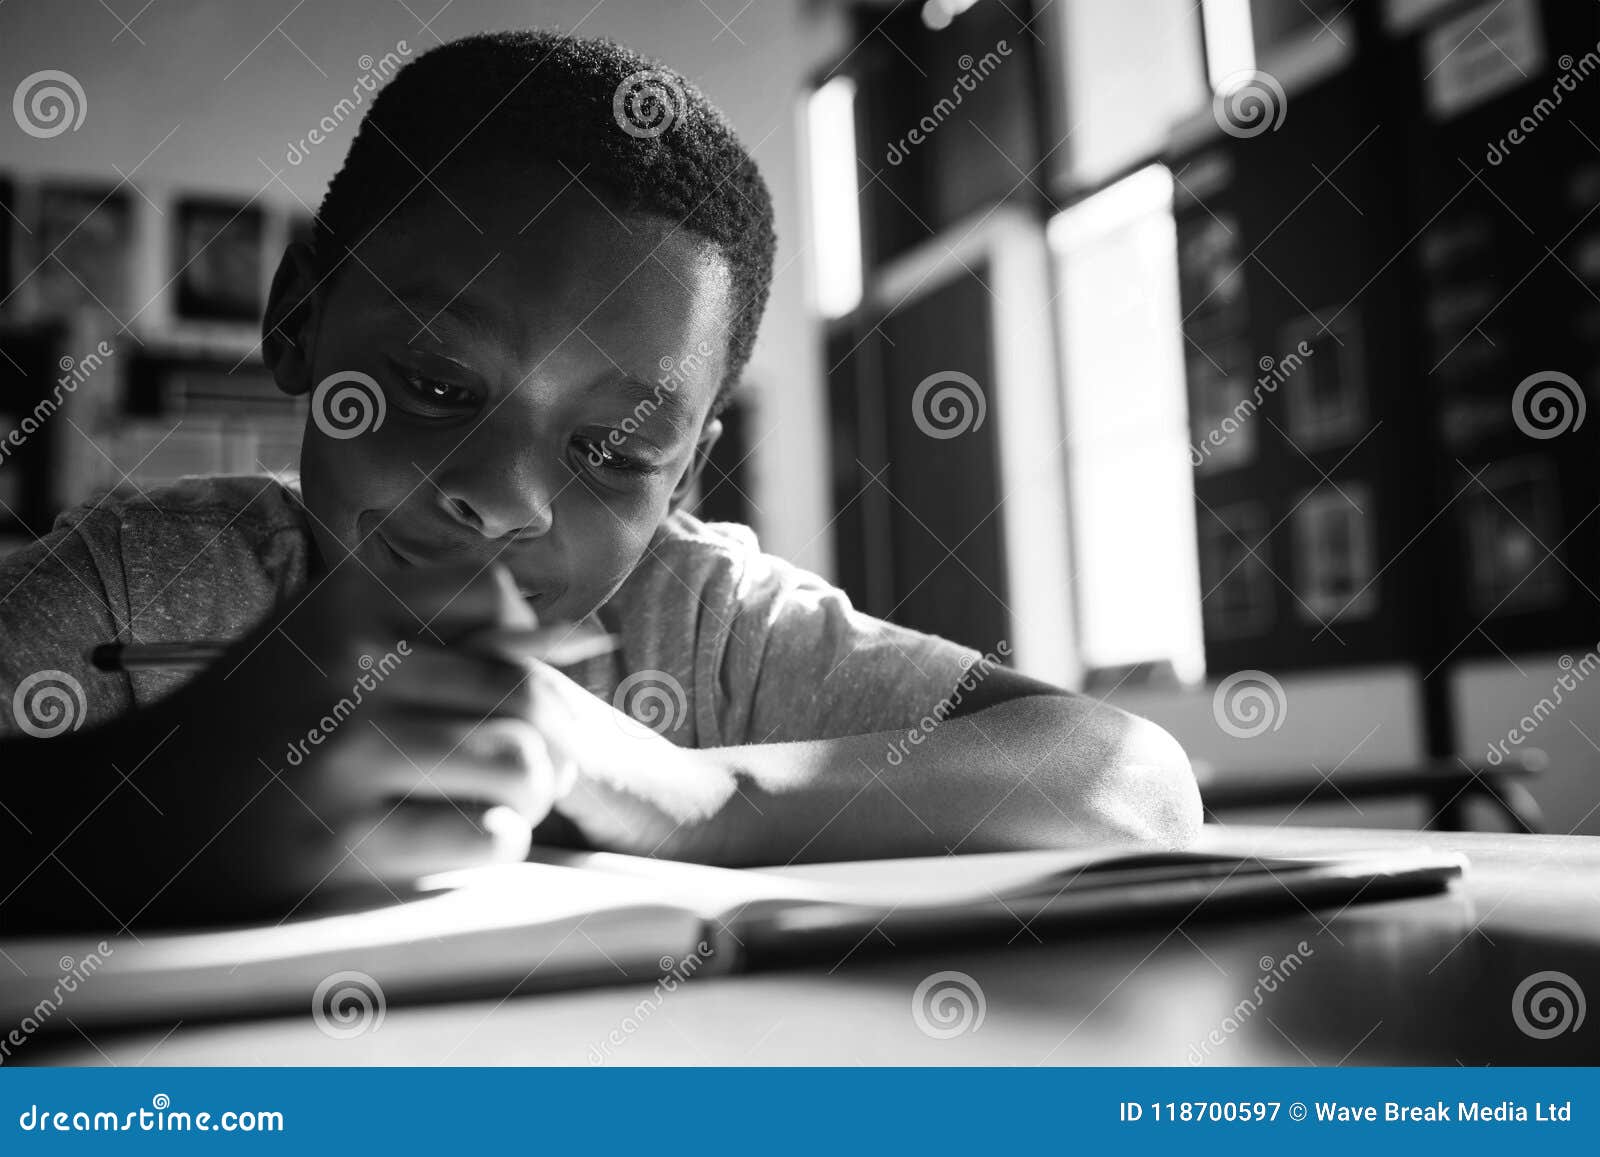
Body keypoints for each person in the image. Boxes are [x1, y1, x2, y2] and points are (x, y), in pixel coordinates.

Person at [0, 30, 1198, 929]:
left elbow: (1133, 780)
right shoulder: (135, 590)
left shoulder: (712, 629)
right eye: (433, 383)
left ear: (685, 470)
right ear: (300, 314)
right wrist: (148, 798)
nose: (510, 496)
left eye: (615, 453)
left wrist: (705, 796)